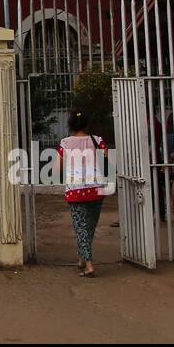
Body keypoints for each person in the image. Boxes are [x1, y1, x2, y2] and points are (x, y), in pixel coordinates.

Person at [58, 111, 110, 277]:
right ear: (87, 124)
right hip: (97, 188)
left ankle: (89, 265)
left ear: (71, 125)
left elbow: (58, 167)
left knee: (80, 227)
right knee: (90, 227)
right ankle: (82, 258)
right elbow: (106, 161)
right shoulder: (98, 140)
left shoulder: (66, 143)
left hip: (76, 190)